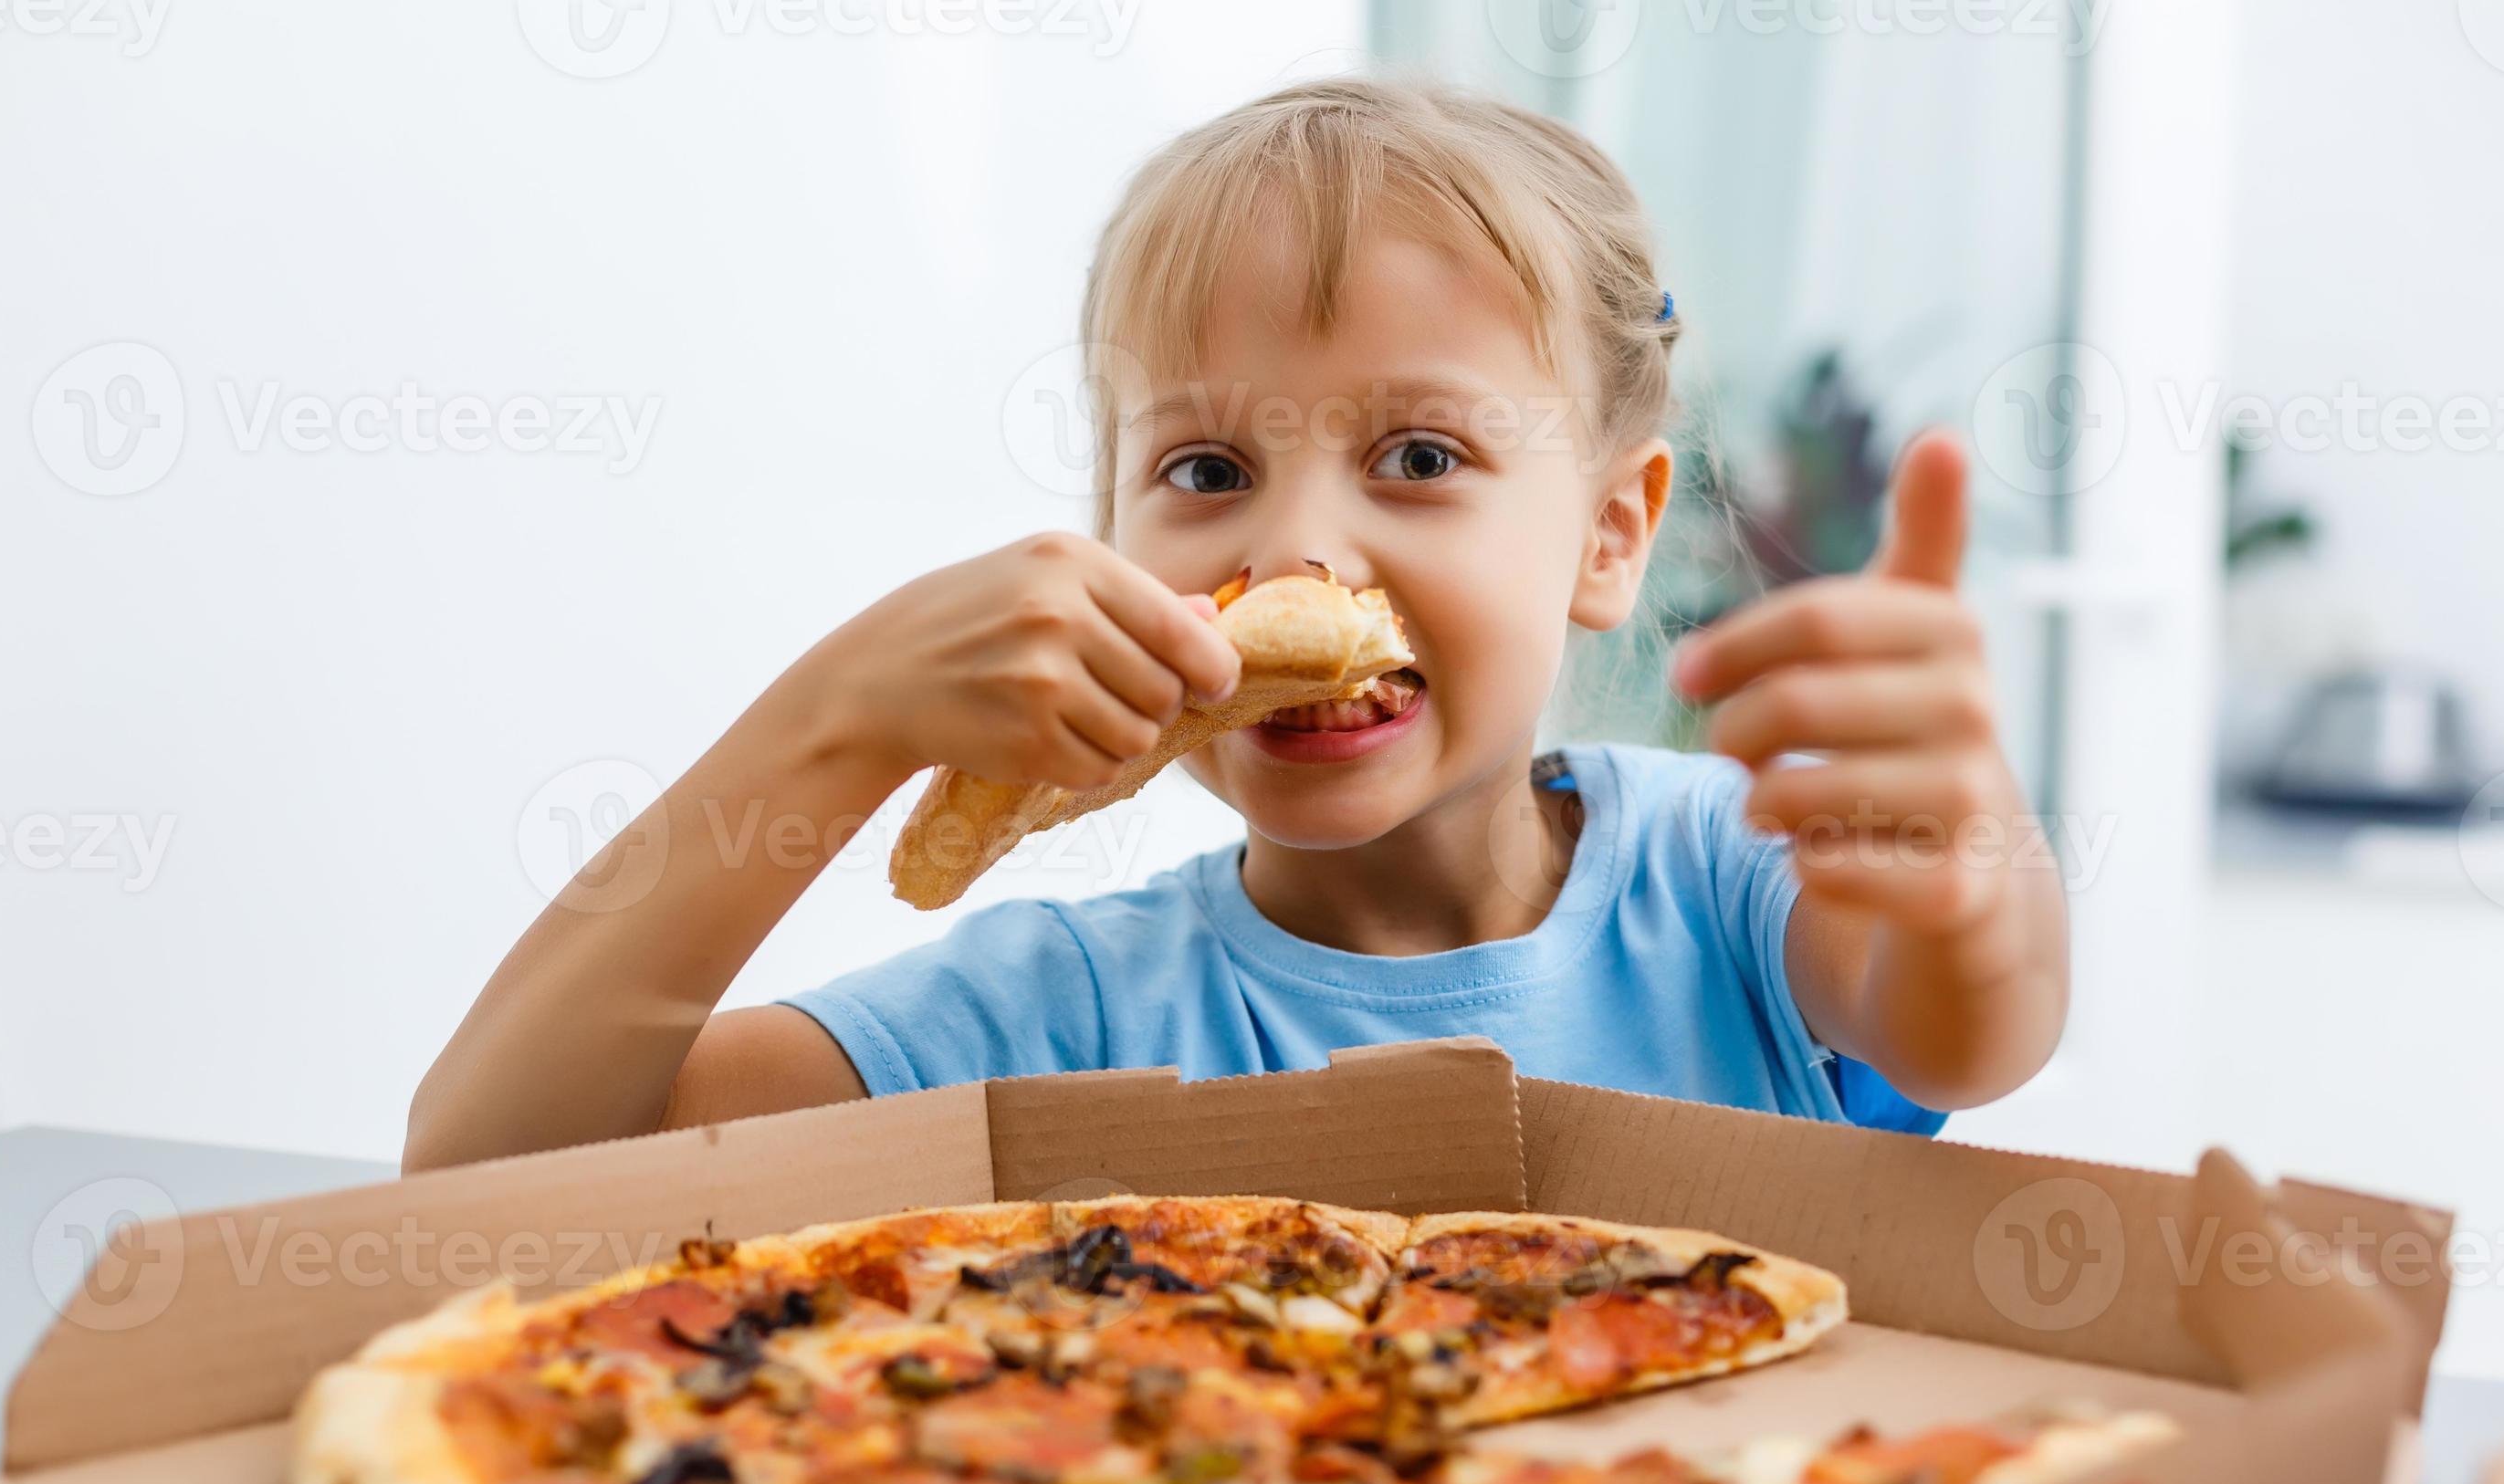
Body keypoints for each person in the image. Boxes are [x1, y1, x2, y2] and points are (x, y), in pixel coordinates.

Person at [404, 78, 2067, 1173]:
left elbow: (1966, 1026)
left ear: (1609, 533)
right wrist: (839, 717)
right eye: (1204, 466)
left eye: (1420, 457)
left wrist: (1961, 860)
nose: (1300, 547)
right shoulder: (1061, 1019)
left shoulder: (1726, 886)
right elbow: (492, 1172)